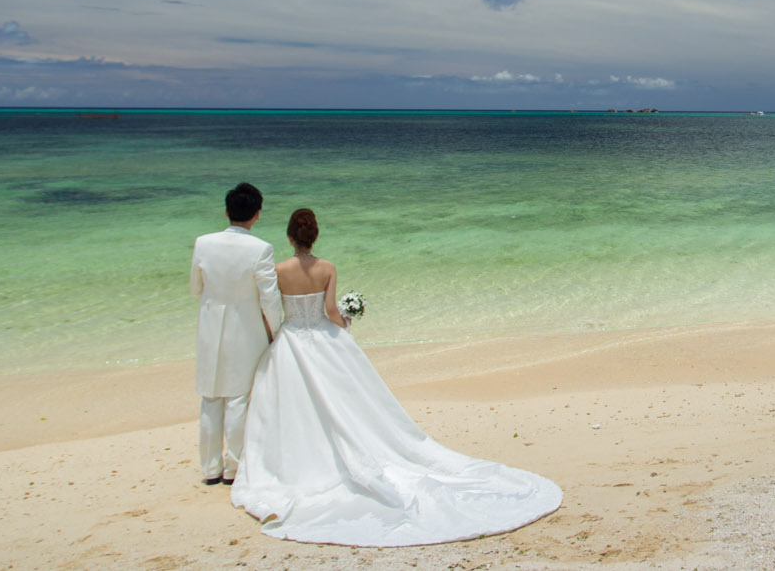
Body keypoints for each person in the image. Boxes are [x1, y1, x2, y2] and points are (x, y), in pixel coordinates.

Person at [231, 209, 562, 547]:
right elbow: (330, 312)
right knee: (351, 403)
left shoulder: (278, 271)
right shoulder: (327, 268)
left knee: (293, 408)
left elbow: (272, 310)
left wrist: (273, 338)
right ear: (313, 237)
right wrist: (346, 322)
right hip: (324, 340)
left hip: (291, 342)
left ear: (289, 237)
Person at [190, 182, 283, 485]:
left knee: (210, 398)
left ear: (227, 211)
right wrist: (275, 330)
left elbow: (196, 288)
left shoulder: (202, 242)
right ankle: (233, 468)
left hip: (209, 327)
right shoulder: (261, 249)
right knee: (238, 399)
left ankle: (210, 469)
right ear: (257, 214)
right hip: (246, 330)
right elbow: (269, 298)